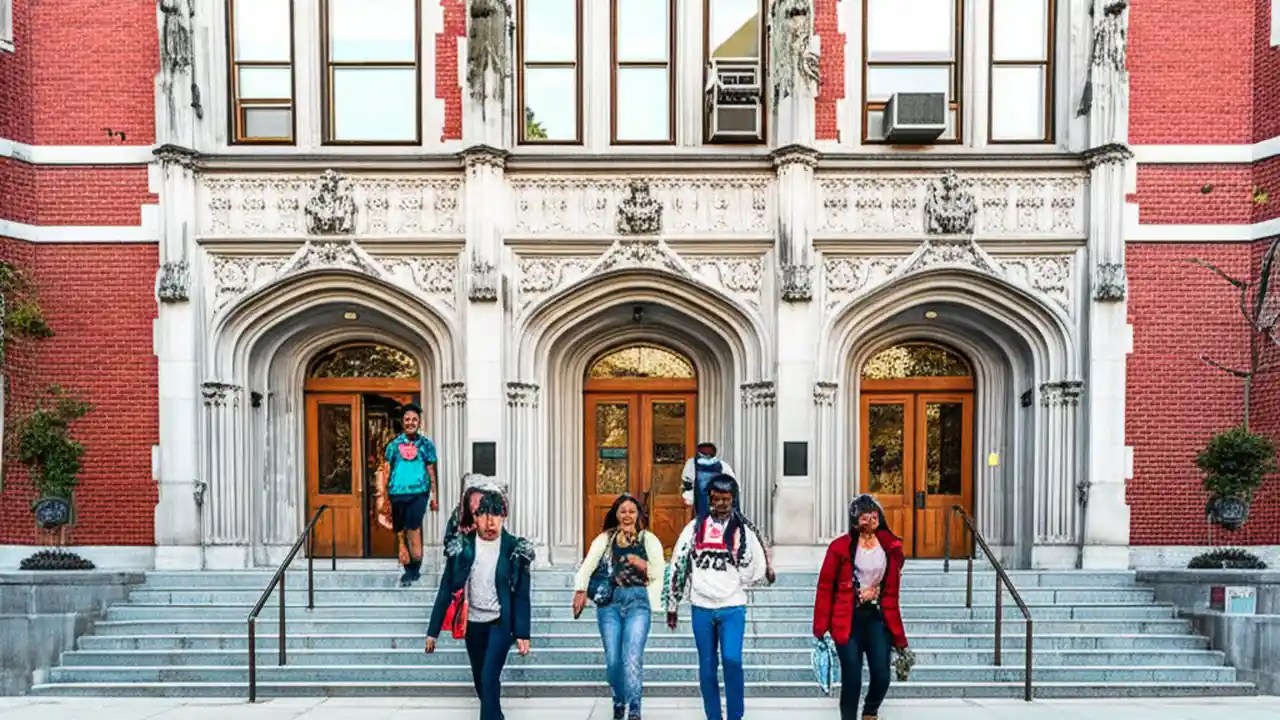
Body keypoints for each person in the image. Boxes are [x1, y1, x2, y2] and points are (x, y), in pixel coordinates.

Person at [664, 474, 767, 720]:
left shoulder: (744, 531)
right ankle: (713, 716)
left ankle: (735, 715)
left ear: (734, 500)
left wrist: (742, 574)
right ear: (707, 499)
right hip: (701, 607)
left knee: (732, 660)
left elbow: (758, 566)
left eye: (726, 499)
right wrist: (672, 603)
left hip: (733, 607)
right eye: (716, 498)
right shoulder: (694, 529)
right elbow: (678, 565)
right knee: (708, 668)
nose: (721, 503)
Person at [426, 488, 533, 720]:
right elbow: (446, 588)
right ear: (475, 518)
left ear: (503, 517)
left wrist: (523, 633)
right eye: (484, 515)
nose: (490, 522)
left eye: (495, 515)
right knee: (481, 681)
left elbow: (522, 595)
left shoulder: (515, 548)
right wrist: (432, 631)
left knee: (488, 676)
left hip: (500, 623)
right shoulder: (462, 547)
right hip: (473, 624)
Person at [811, 494, 908, 720]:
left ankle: (870, 710)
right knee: (852, 679)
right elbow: (825, 586)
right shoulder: (840, 547)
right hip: (848, 618)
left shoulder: (889, 546)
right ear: (854, 521)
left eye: (873, 516)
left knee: (882, 675)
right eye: (863, 518)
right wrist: (820, 627)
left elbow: (895, 572)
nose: (869, 522)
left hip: (877, 617)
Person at [573, 494, 666, 720]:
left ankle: (634, 709)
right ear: (616, 514)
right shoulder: (606, 538)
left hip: (638, 602)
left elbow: (659, 571)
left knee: (632, 656)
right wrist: (580, 590)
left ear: (638, 515)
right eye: (622, 511)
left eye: (631, 511)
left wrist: (639, 563)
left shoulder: (648, 539)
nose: (627, 515)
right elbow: (588, 565)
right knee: (614, 658)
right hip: (609, 604)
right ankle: (618, 701)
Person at [376, 403, 439, 587]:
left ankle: (415, 567)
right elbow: (386, 471)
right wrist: (384, 496)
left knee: (413, 526)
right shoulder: (394, 445)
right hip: (397, 493)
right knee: (400, 530)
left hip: (419, 492)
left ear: (419, 422)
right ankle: (408, 568)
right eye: (407, 419)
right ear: (403, 422)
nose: (410, 422)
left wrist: (435, 496)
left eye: (414, 419)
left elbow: (431, 470)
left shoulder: (426, 445)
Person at [681, 442, 736, 518]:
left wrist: (688, 499)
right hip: (717, 502)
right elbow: (733, 485)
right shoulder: (722, 465)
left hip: (704, 502)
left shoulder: (691, 463)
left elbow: (687, 483)